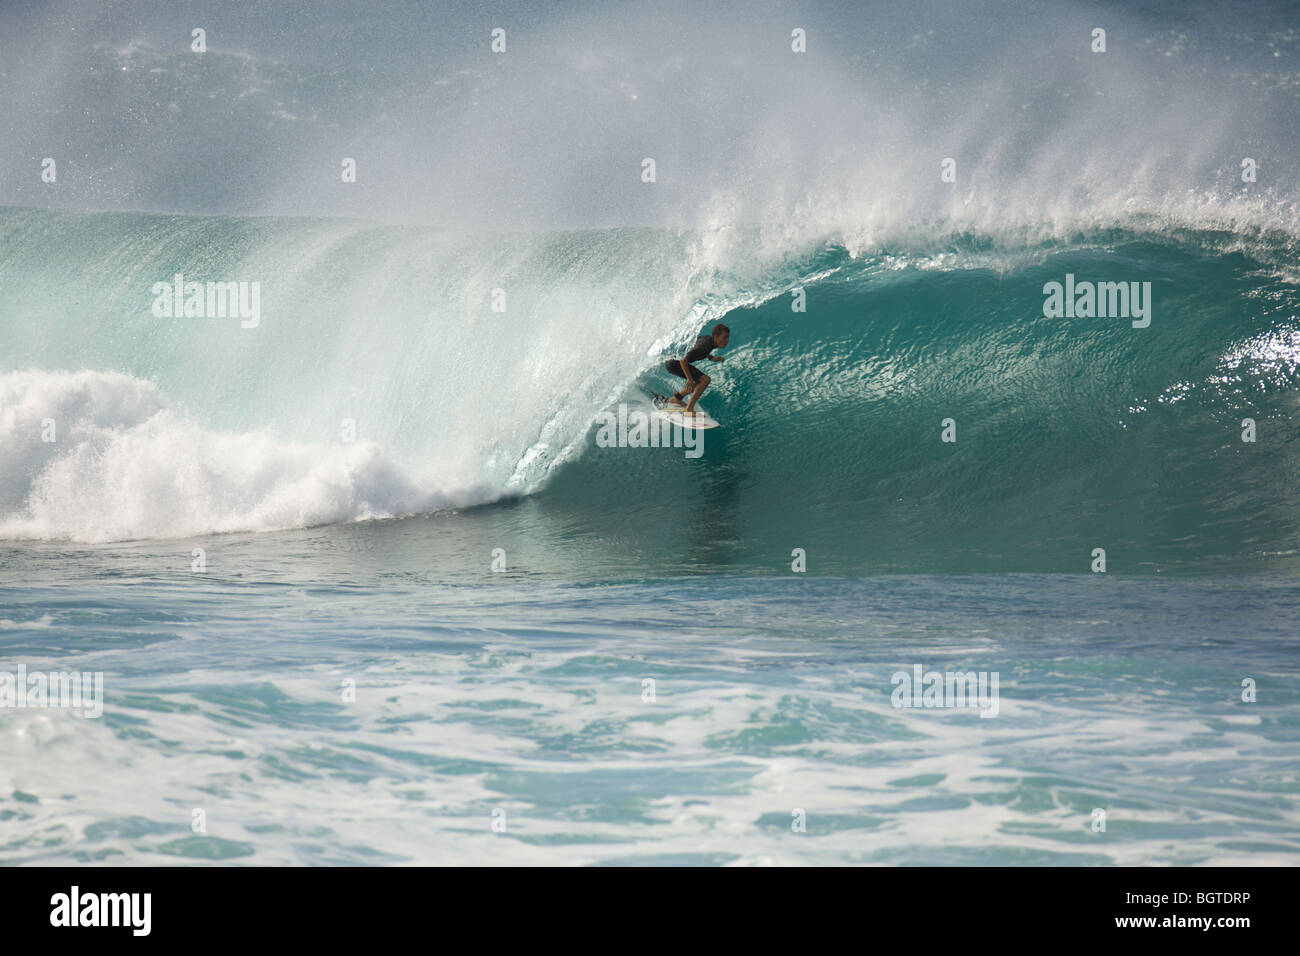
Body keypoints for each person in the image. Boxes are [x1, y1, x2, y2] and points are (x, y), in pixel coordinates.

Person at [665, 323, 729, 413]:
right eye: (724, 337)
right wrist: (689, 379)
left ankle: (676, 399)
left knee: (700, 382)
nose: (727, 340)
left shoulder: (709, 342)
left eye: (727, 337)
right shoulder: (705, 344)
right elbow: (683, 359)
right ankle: (688, 409)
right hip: (675, 363)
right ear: (716, 336)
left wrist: (713, 358)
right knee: (705, 380)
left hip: (674, 363)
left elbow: (702, 351)